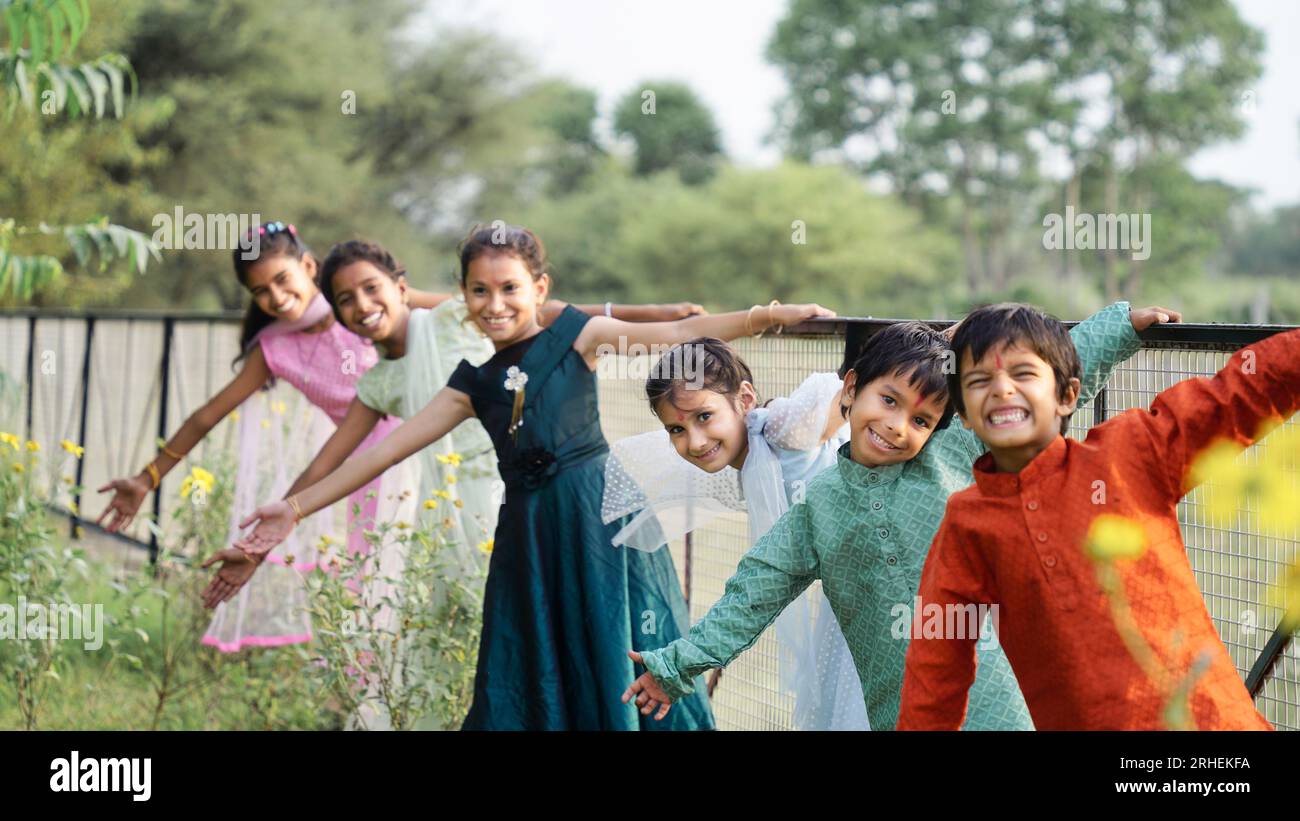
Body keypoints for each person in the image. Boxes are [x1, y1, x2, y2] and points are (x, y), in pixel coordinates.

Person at [898, 303, 1290, 730]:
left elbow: (1237, 394)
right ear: (964, 417)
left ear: (1067, 395)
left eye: (1023, 374)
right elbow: (936, 666)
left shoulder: (1129, 454)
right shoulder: (968, 525)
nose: (1002, 390)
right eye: (979, 381)